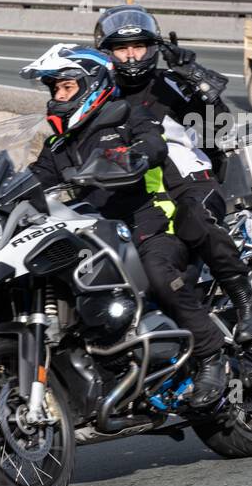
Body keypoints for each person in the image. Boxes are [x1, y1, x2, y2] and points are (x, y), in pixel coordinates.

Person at [20, 44, 230, 406]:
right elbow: (33, 180)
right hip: (97, 229)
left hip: (150, 218)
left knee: (158, 270)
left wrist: (138, 155)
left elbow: (152, 142)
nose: (57, 96)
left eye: (65, 87)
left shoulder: (127, 116)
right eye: (54, 89)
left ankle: (211, 355)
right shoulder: (58, 145)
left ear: (90, 85)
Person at [93, 6, 252, 343]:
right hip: (129, 189)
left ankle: (245, 300)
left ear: (153, 48)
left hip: (188, 180)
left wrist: (194, 75)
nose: (131, 56)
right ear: (107, 51)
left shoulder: (171, 83)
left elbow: (219, 127)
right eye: (121, 48)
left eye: (139, 46)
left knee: (196, 217)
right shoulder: (100, 93)